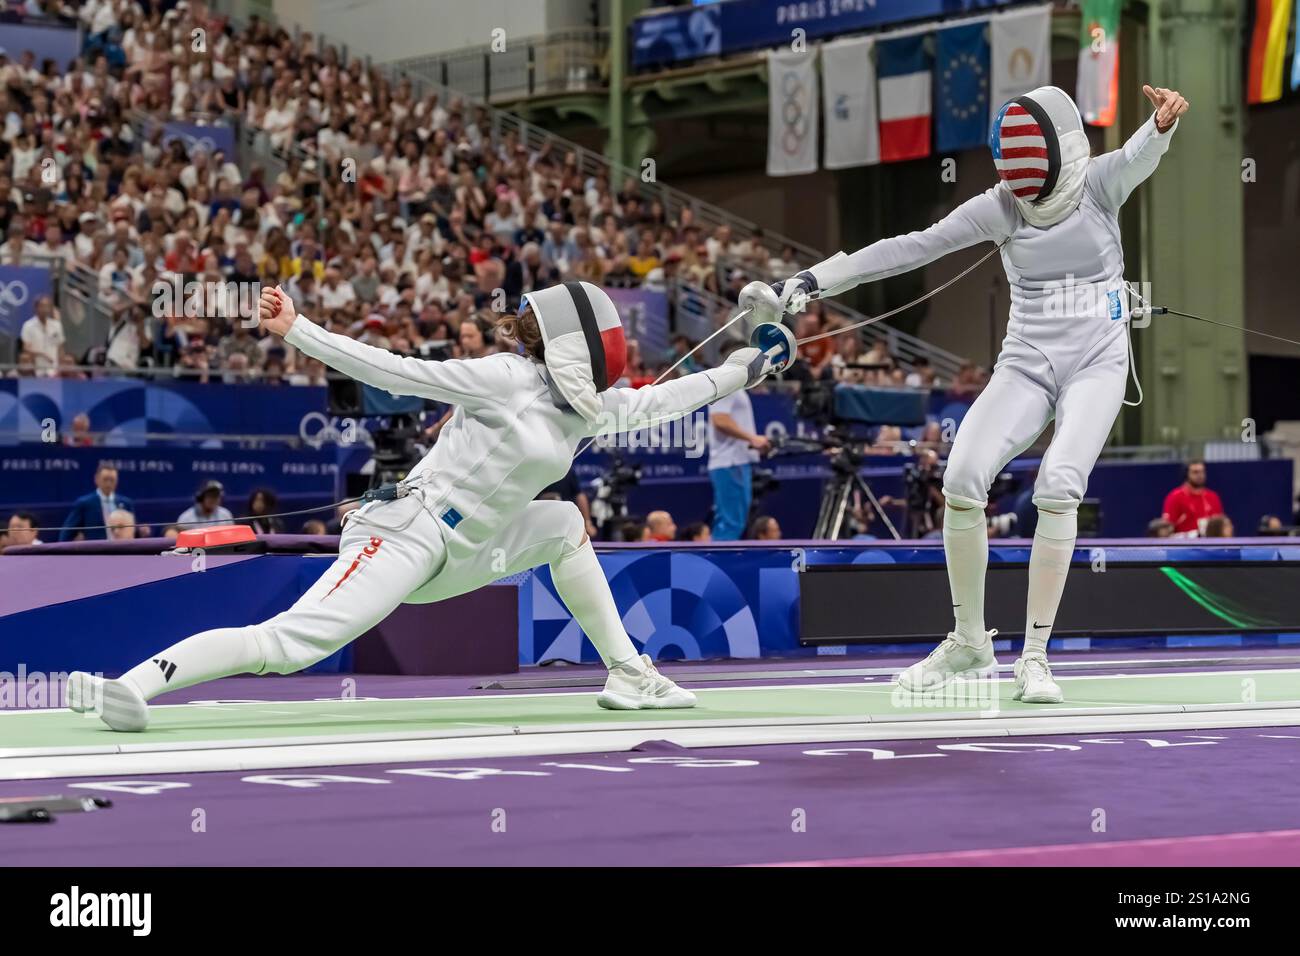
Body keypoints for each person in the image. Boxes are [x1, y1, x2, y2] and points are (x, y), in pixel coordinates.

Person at [68, 282, 774, 731]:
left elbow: (664, 399)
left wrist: (749, 364)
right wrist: (299, 331)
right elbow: (396, 372)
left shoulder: (582, 412)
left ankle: (629, 675)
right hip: (406, 534)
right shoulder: (500, 378)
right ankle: (130, 687)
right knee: (290, 645)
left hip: (467, 552)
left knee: (562, 524)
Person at [743, 83, 1189, 704]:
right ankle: (970, 640)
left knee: (1058, 485)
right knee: (961, 480)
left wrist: (1161, 125)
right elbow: (912, 247)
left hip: (1098, 360)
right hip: (1028, 359)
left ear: (1060, 150)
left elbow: (1142, 153)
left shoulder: (1098, 184)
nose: (1019, 174)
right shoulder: (1003, 204)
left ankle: (1034, 658)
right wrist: (815, 280)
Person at [708, 341, 770, 541]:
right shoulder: (728, 382)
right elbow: (719, 420)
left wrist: (753, 443)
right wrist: (753, 438)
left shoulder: (732, 384)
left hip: (734, 461)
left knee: (731, 522)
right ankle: (716, 570)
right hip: (731, 462)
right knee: (731, 524)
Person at [60, 464, 134, 541]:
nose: (108, 484)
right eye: (105, 479)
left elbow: (132, 532)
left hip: (122, 550)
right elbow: (67, 532)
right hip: (96, 550)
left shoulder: (126, 503)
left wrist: (141, 531)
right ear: (96, 479)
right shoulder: (85, 503)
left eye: (112, 480)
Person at [1161, 460, 1224, 535]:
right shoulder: (1175, 497)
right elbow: (1166, 528)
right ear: (1186, 475)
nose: (1200, 475)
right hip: (1185, 543)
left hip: (1210, 542)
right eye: (1195, 472)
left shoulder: (1212, 496)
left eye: (1202, 472)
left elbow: (1221, 524)